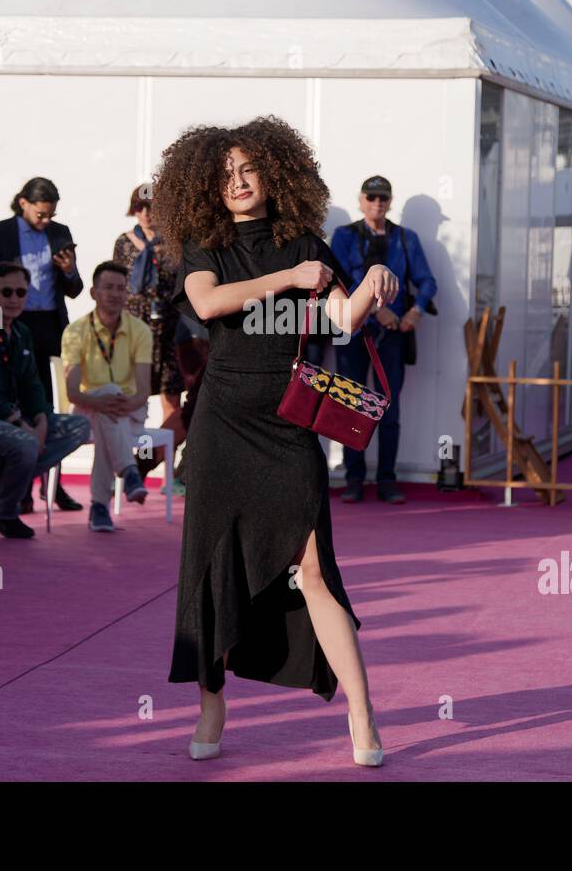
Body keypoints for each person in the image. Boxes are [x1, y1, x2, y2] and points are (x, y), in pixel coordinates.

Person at [158, 115, 396, 766]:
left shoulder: (305, 242)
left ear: (272, 171)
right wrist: (285, 282)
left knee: (315, 571)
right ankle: (212, 703)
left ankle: (361, 715)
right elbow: (207, 305)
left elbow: (340, 320)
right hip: (223, 425)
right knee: (209, 572)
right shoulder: (206, 247)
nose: (237, 182)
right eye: (225, 174)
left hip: (290, 425)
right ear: (207, 185)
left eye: (247, 169)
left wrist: (373, 287)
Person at [0, 262, 91, 539]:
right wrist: (18, 424)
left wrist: (41, 421)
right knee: (24, 442)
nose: (14, 299)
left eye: (21, 293)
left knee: (79, 427)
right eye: (7, 291)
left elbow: (32, 386)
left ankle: (10, 471)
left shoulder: (22, 332)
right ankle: (2, 509)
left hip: (14, 425)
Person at [0, 178, 85, 512]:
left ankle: (51, 485)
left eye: (50, 214)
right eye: (41, 214)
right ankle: (15, 484)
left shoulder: (59, 233)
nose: (46, 220)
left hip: (48, 326)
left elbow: (75, 288)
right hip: (9, 324)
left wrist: (69, 271)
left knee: (45, 406)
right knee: (12, 401)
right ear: (23, 203)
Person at [330, 175, 437, 505]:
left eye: (383, 198)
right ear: (361, 200)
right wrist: (377, 312)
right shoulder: (344, 236)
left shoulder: (407, 238)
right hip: (353, 333)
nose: (377, 203)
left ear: (390, 202)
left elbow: (427, 282)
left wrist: (415, 312)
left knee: (389, 408)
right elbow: (339, 279)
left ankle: (387, 480)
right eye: (371, 197)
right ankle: (354, 479)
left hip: (392, 337)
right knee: (352, 405)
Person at [61, 261, 153, 533]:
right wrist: (101, 402)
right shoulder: (75, 331)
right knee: (107, 405)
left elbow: (143, 391)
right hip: (87, 408)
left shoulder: (141, 331)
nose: (115, 294)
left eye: (120, 289)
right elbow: (73, 393)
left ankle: (99, 506)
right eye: (108, 288)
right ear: (93, 292)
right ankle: (129, 472)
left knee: (109, 416)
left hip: (129, 409)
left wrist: (124, 404)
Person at [113, 184, 185, 491]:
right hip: (134, 333)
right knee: (135, 406)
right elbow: (114, 285)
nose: (146, 214)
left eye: (152, 207)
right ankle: (131, 470)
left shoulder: (174, 243)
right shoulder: (124, 242)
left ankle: (164, 473)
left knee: (173, 406)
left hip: (169, 332)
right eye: (140, 207)